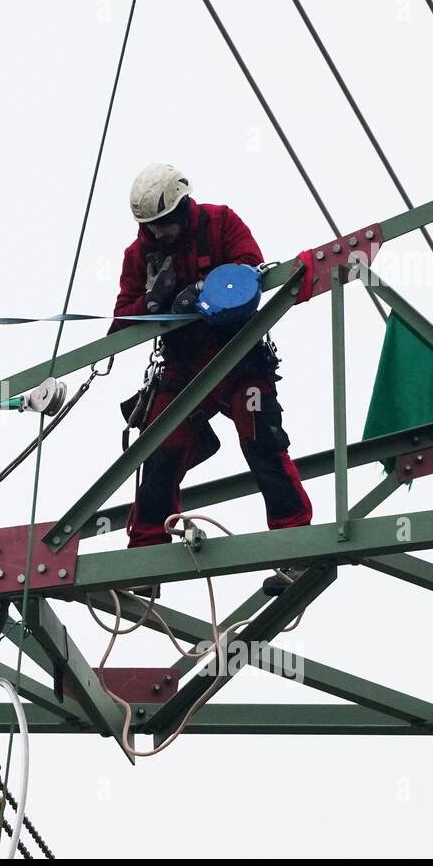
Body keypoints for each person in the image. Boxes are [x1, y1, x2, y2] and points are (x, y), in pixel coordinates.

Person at [111, 163, 311, 595]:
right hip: (182, 370)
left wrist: (202, 291)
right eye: (152, 227)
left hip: (238, 359)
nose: (160, 234)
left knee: (263, 438)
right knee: (159, 450)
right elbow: (121, 318)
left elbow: (249, 270)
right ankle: (146, 558)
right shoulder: (140, 254)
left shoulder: (220, 222)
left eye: (165, 224)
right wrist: (154, 306)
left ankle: (295, 544)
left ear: (184, 206)